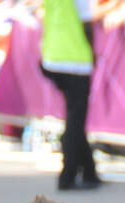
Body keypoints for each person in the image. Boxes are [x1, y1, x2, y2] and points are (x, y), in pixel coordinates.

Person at [40, 0, 109, 189]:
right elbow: (86, 22)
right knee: (75, 121)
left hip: (53, 55)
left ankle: (89, 171)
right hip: (74, 59)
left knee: (74, 117)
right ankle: (68, 175)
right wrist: (92, 52)